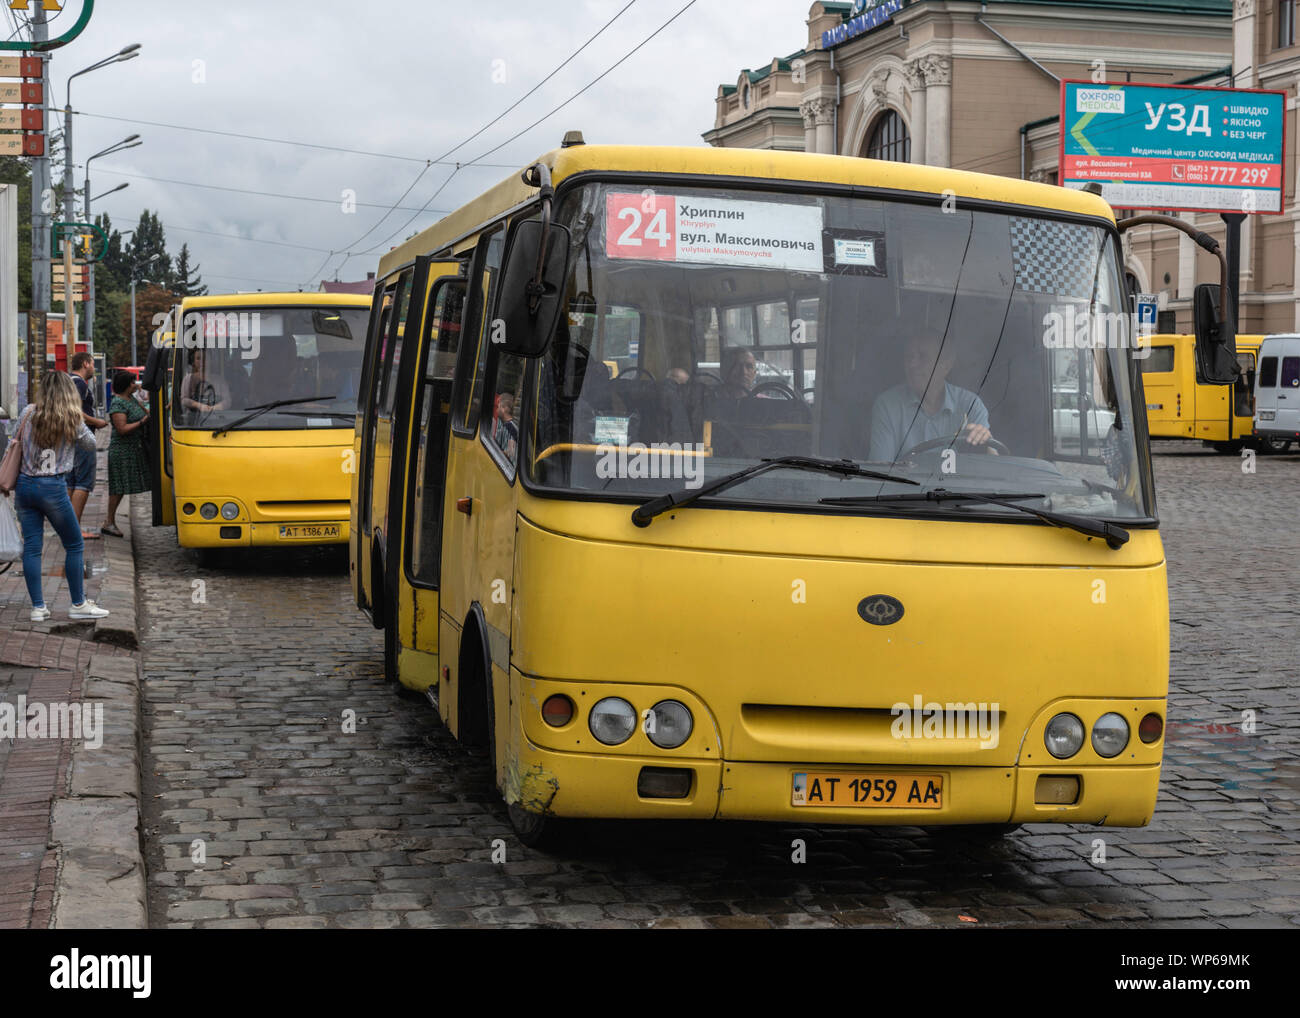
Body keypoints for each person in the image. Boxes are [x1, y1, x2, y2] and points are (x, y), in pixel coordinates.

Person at [3, 372, 111, 621]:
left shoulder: (28, 412)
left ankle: (38, 608)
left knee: (32, 548)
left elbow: (14, 440)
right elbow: (91, 444)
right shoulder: (71, 418)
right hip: (52, 487)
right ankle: (78, 604)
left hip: (24, 486)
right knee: (74, 544)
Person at [869, 333, 996, 463]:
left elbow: (991, 469)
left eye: (922, 357)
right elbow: (880, 470)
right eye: (909, 357)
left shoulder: (971, 405)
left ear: (946, 365)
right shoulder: (887, 405)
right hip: (903, 483)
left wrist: (986, 444)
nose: (912, 364)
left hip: (958, 484)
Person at [101, 371, 152, 538]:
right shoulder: (118, 403)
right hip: (122, 451)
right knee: (118, 488)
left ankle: (110, 521)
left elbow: (147, 412)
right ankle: (109, 521)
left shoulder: (132, 399)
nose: (134, 384)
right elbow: (122, 429)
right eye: (132, 382)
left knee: (122, 487)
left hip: (133, 449)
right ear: (125, 384)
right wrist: (142, 422)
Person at [66, 351, 109, 538]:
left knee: (70, 481)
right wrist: (96, 422)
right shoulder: (79, 383)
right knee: (83, 482)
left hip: (69, 438)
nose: (93, 368)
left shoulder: (68, 381)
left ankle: (67, 527)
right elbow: (74, 412)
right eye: (92, 364)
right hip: (81, 438)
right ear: (85, 364)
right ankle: (75, 529)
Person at [179, 349, 231, 420]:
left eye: (205, 358)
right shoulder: (188, 379)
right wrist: (199, 406)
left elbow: (228, 401)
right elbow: (184, 400)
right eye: (198, 358)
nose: (202, 362)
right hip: (193, 422)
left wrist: (214, 408)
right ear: (194, 362)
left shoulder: (220, 380)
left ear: (210, 361)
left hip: (217, 420)